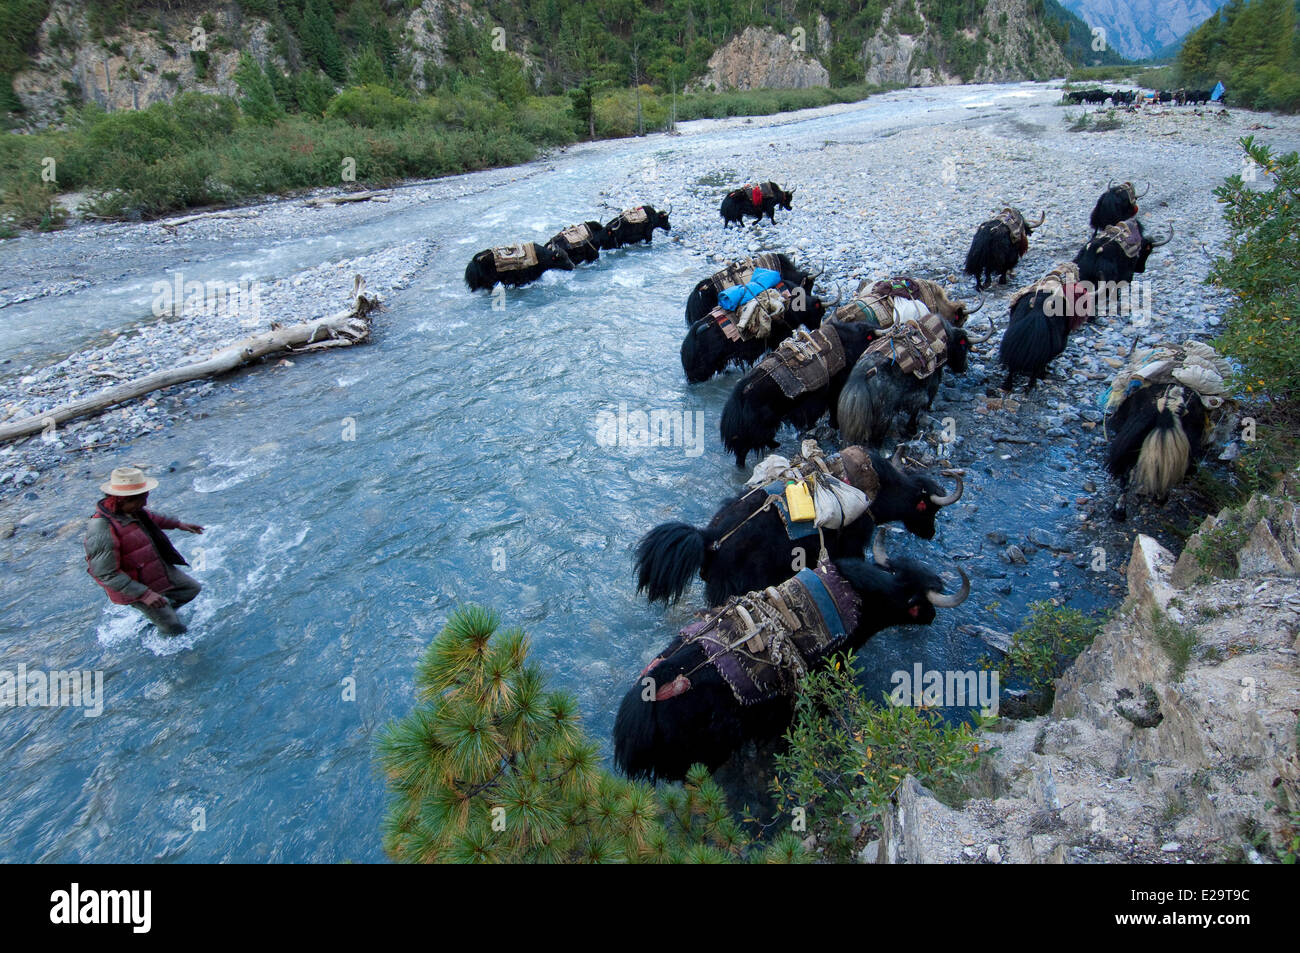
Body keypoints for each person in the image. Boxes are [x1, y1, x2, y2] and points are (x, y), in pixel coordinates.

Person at [84, 466, 205, 636]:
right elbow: (105, 573)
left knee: (191, 590)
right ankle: (162, 633)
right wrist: (145, 594)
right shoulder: (101, 528)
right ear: (123, 500)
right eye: (141, 499)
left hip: (153, 570)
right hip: (133, 586)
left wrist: (179, 525)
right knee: (173, 627)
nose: (145, 503)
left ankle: (161, 612)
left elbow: (153, 518)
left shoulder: (133, 512)